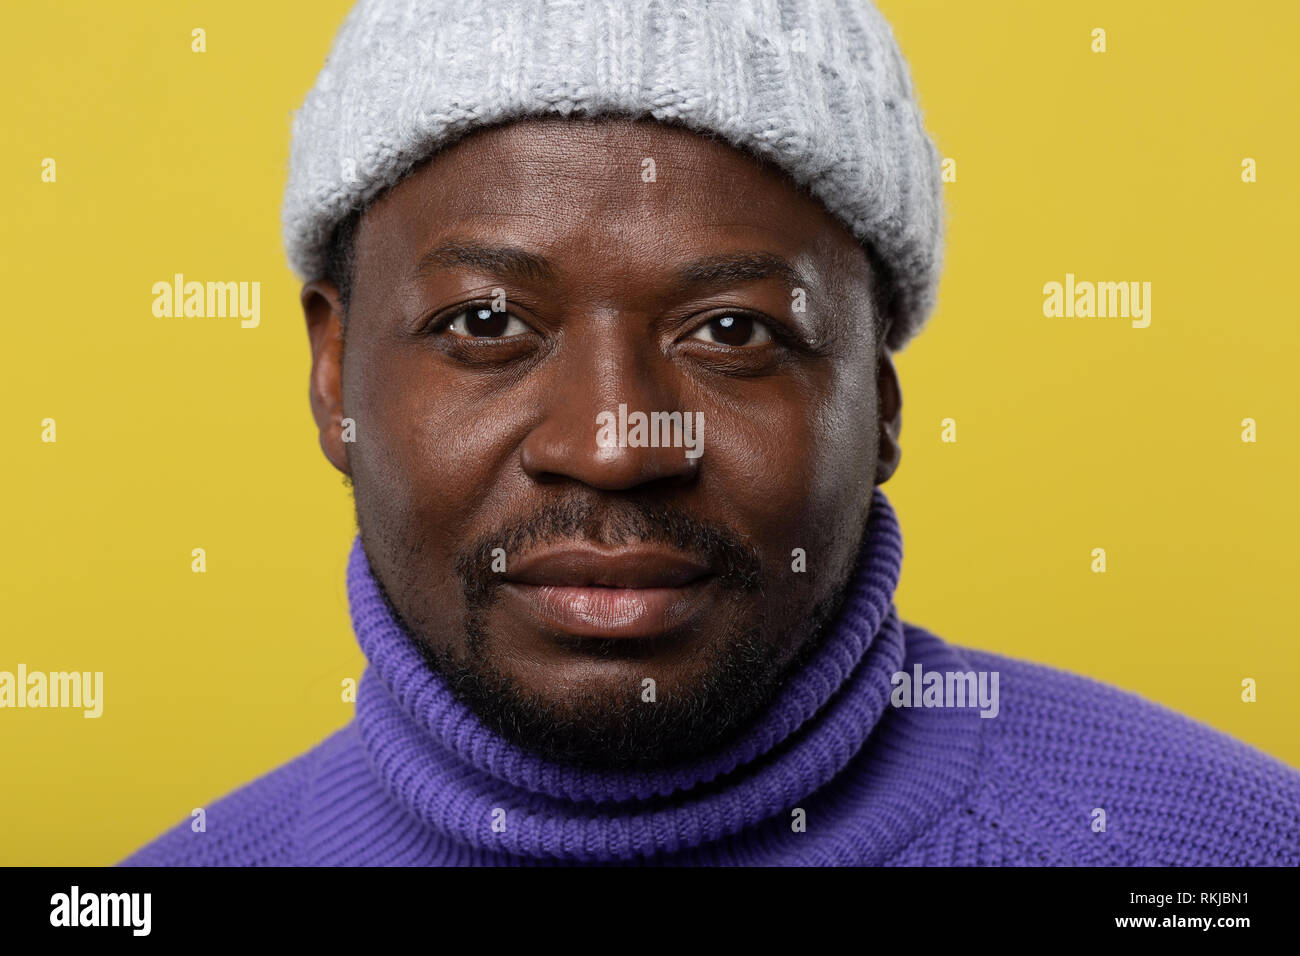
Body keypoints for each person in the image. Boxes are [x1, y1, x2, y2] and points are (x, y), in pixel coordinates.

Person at [122, 0, 1300, 866]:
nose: (614, 442)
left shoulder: (1218, 859)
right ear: (334, 375)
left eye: (732, 329)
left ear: (880, 399)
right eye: (485, 321)